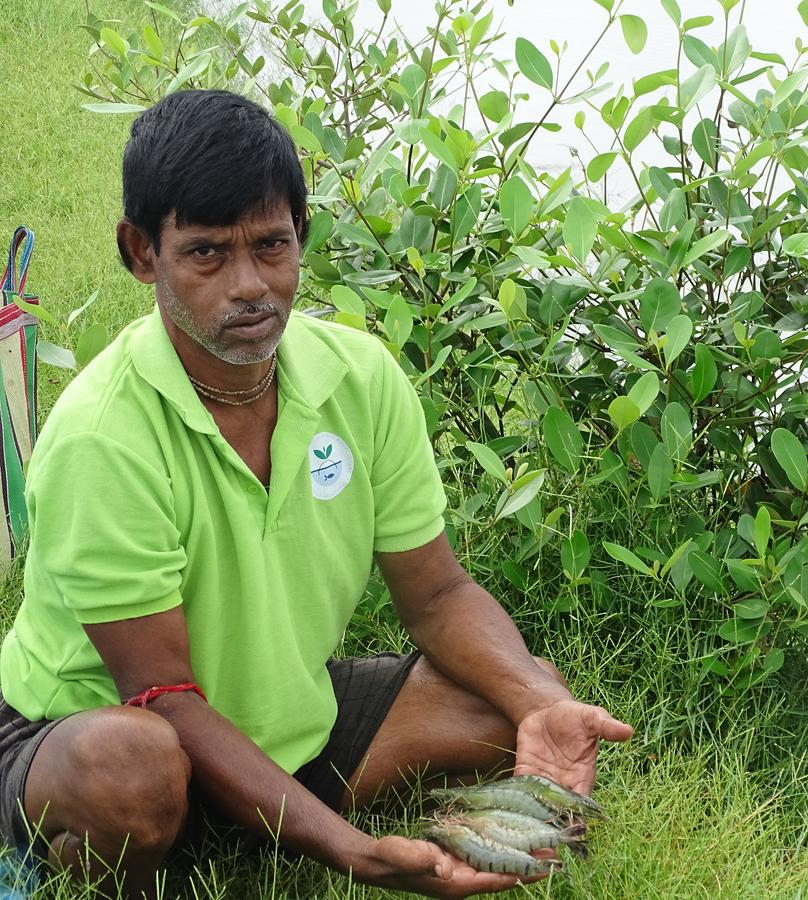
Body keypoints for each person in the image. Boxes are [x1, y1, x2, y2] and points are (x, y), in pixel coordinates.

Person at [0, 88, 632, 899]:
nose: (249, 286)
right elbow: (167, 700)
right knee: (134, 769)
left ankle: (257, 811)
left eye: (271, 245)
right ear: (140, 252)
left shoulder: (360, 378)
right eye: (205, 254)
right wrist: (354, 852)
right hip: (95, 726)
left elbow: (438, 593)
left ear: (305, 234)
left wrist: (540, 701)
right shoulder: (102, 435)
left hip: (279, 718)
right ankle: (92, 847)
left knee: (507, 692)